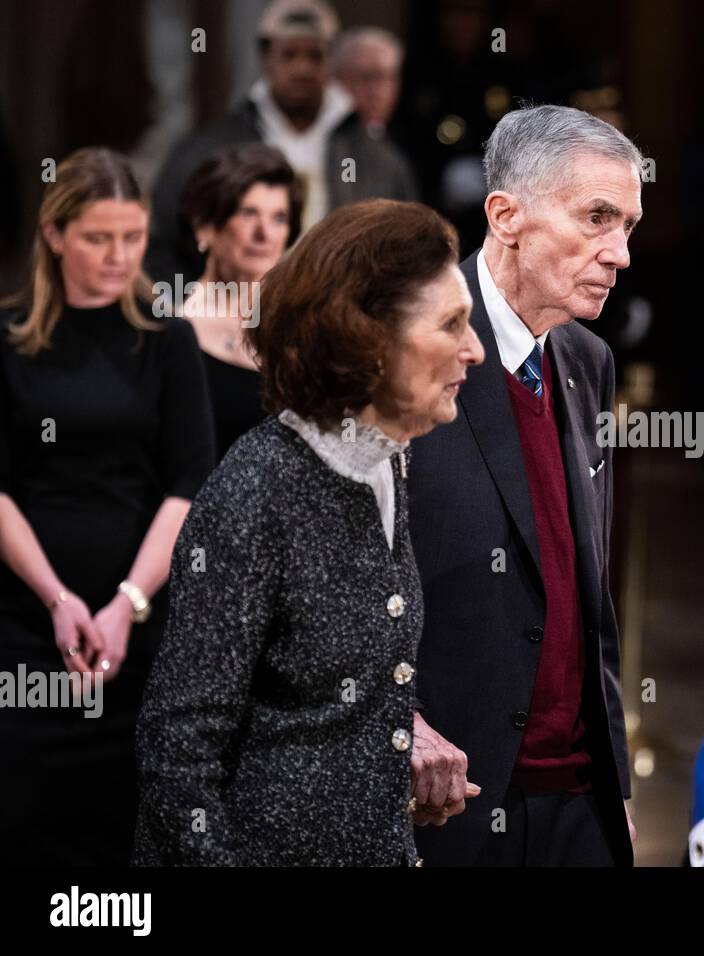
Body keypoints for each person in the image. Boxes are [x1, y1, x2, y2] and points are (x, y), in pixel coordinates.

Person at [132, 199, 484, 866]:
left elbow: (334, 678)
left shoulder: (385, 460)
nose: (475, 349)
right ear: (369, 341)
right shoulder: (256, 493)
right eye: (451, 324)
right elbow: (177, 753)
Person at [407, 104, 641, 867]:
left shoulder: (587, 359)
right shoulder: (408, 353)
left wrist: (615, 797)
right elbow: (331, 579)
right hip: (452, 802)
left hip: (577, 802)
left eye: (629, 226)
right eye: (598, 218)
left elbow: (588, 591)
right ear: (505, 216)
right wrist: (393, 721)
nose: (621, 253)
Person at [0, 147, 215, 865]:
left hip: (141, 622)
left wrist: (126, 603)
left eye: (131, 236)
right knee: (29, 812)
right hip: (28, 620)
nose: (119, 255)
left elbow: (188, 483)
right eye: (98, 238)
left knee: (129, 820)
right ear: (55, 235)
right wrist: (57, 599)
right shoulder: (7, 339)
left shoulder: (167, 340)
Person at [145, 0, 416, 289]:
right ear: (265, 59)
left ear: (332, 62)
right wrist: (195, 314)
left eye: (315, 55)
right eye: (289, 54)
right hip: (236, 314)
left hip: (341, 320)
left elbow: (406, 250)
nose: (302, 68)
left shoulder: (375, 159)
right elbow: (164, 245)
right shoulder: (211, 150)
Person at [178, 143, 302, 461]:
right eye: (248, 213)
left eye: (279, 218)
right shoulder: (173, 329)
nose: (265, 234)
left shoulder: (302, 329)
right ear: (205, 225)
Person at [331, 27, 404, 140]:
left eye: (386, 78)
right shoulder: (326, 141)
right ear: (338, 80)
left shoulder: (404, 144)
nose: (376, 92)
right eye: (365, 78)